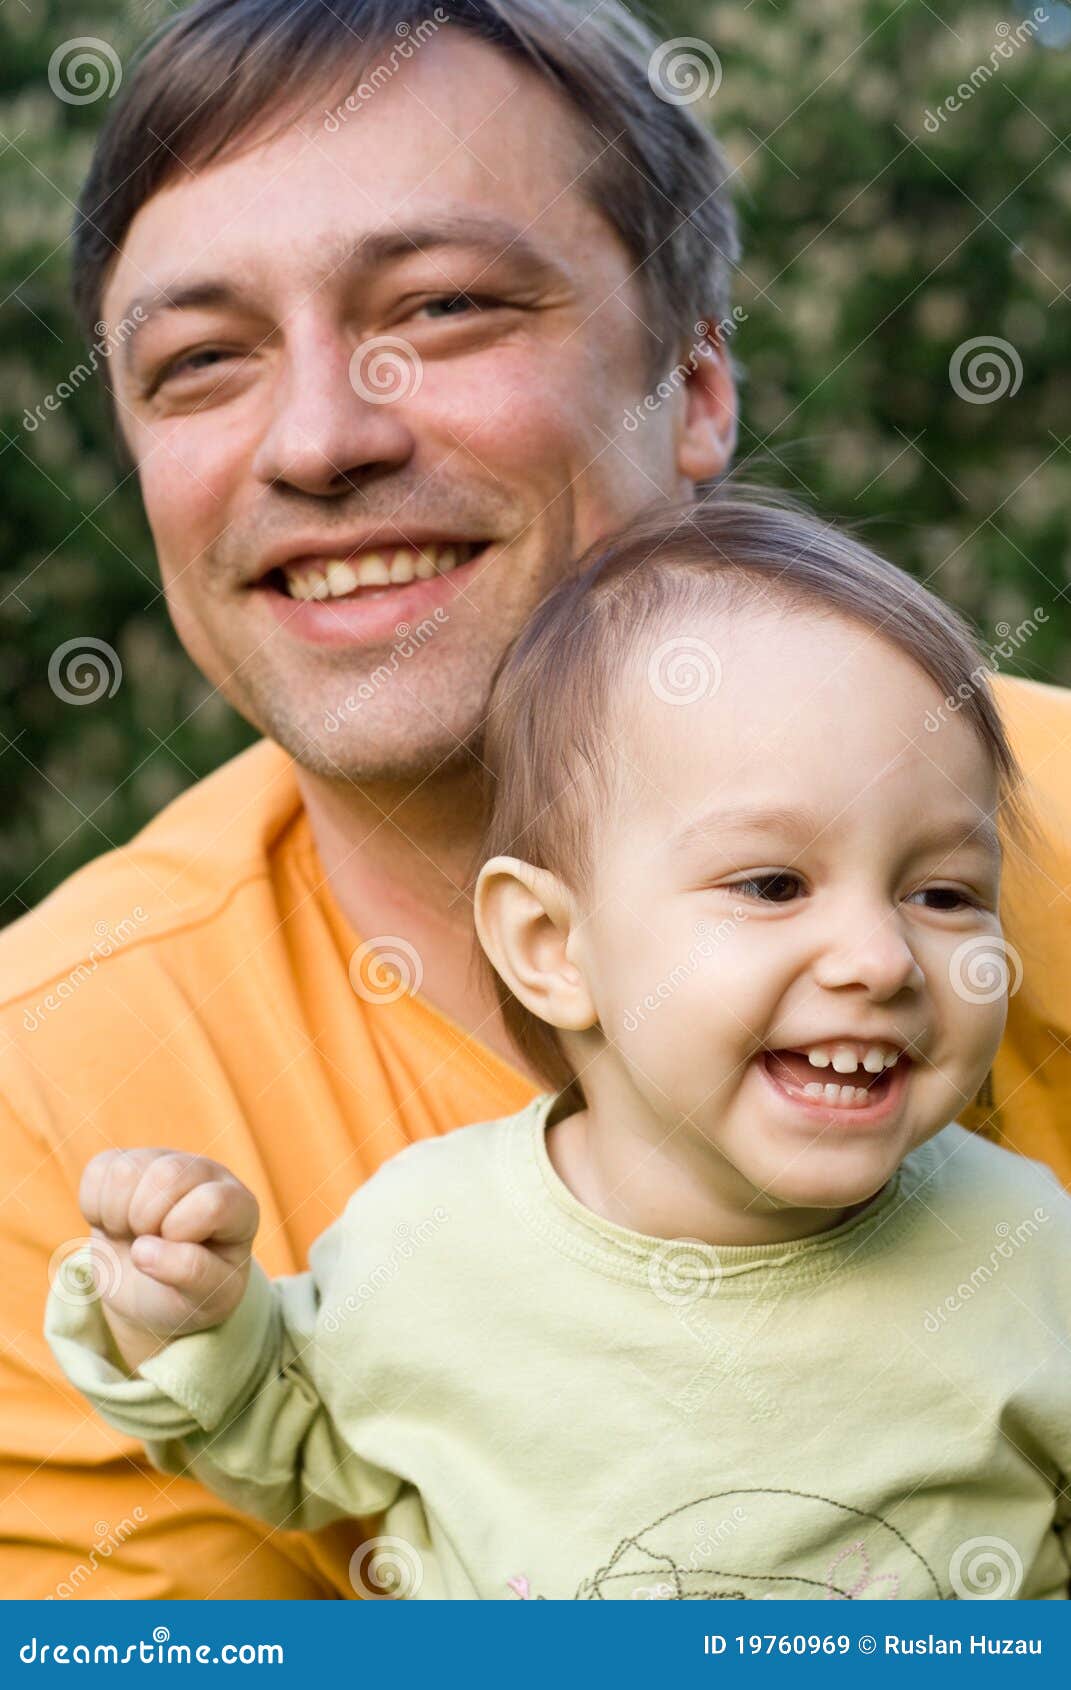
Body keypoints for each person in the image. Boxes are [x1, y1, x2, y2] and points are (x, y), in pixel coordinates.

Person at [4, 0, 1070, 1601]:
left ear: (694, 380)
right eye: (202, 361)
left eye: (438, 307)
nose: (316, 439)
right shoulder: (54, 1086)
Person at [46, 500, 1071, 1600]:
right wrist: (187, 1317)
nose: (881, 957)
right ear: (552, 947)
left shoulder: (1025, 1252)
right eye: (772, 884)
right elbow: (282, 1436)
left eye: (945, 893)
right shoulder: (431, 1246)